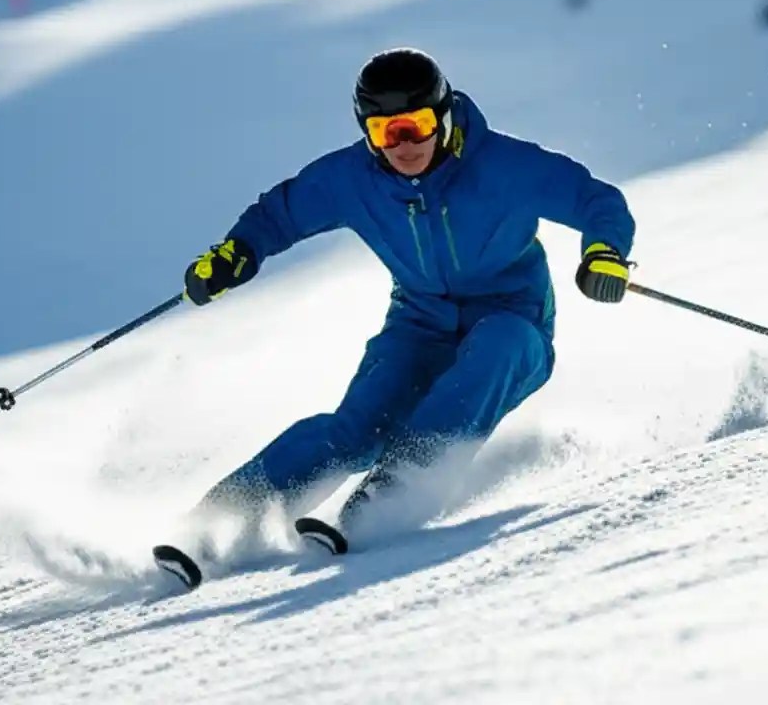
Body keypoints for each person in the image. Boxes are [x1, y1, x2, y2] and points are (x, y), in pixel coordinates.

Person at [183, 47, 636, 532]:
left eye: (416, 126)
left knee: (498, 346)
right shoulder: (353, 179)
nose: (403, 145)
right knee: (355, 432)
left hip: (513, 322)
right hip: (418, 327)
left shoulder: (504, 166)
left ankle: (393, 493)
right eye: (385, 131)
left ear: (442, 116)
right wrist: (235, 254)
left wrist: (604, 252)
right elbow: (279, 215)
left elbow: (595, 200)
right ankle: (219, 521)